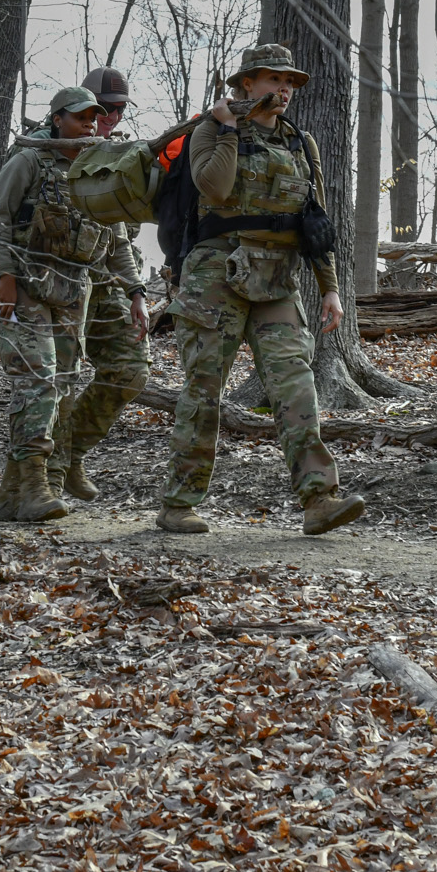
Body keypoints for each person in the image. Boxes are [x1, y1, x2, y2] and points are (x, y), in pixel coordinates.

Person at [157, 43, 366, 536]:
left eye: (290, 82)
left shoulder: (301, 143)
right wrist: (228, 128)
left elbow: (314, 221)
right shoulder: (210, 130)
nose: (284, 90)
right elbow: (214, 188)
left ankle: (319, 499)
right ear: (246, 84)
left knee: (295, 385)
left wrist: (329, 288)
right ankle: (178, 502)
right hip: (215, 277)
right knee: (203, 389)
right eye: (274, 79)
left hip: (276, 280)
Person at [0, 86, 121, 523]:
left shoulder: (95, 168)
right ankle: (36, 487)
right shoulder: (28, 160)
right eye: (81, 118)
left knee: (59, 387)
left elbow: (115, 236)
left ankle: (11, 496)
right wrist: (4, 276)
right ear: (57, 119)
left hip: (70, 292)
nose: (90, 125)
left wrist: (133, 290)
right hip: (24, 287)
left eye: (94, 119)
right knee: (37, 384)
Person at [50, 66, 151, 498]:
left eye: (117, 109)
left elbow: (124, 232)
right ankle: (46, 475)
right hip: (57, 282)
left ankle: (71, 455)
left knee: (130, 370)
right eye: (101, 108)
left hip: (110, 277)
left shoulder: (120, 154)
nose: (108, 117)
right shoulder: (45, 148)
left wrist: (136, 290)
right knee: (60, 380)